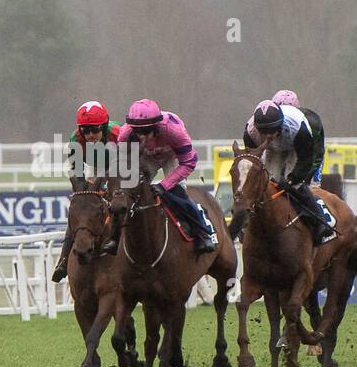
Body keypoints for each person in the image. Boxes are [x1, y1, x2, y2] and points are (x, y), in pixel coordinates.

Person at [104, 99, 219, 254]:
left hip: (171, 158)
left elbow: (190, 162)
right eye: (138, 132)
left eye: (146, 132)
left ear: (156, 127)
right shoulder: (126, 135)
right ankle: (114, 238)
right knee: (127, 192)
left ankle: (202, 232)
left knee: (177, 193)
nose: (142, 137)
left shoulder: (174, 131)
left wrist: (164, 185)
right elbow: (123, 165)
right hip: (145, 157)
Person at [241, 99, 335, 243]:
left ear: (280, 123)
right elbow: (251, 163)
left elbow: (306, 159)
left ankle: (319, 220)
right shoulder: (250, 132)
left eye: (272, 131)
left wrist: (292, 179)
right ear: (257, 128)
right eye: (264, 133)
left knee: (294, 185)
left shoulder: (298, 127)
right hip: (271, 150)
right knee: (268, 182)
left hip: (294, 148)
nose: (269, 137)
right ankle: (245, 223)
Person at [52, 101, 123, 282]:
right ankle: (64, 259)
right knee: (83, 208)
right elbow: (78, 174)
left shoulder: (119, 135)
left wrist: (111, 186)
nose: (90, 135)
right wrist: (84, 195)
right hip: (95, 166)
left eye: (95, 129)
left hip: (123, 167)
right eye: (85, 130)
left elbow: (128, 166)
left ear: (104, 126)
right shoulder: (76, 140)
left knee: (121, 202)